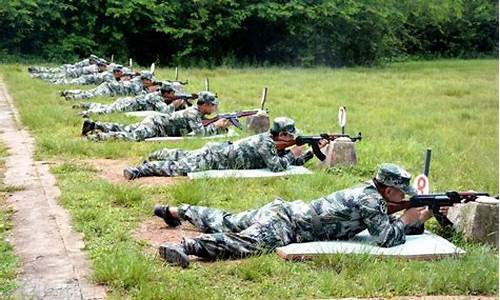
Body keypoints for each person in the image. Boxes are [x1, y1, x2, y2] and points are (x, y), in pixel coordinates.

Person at [153, 163, 448, 268]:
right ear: (387, 190)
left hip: (285, 210)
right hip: (288, 224)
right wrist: (409, 219)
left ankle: (177, 210)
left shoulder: (371, 195)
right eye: (401, 191)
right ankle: (185, 247)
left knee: (228, 218)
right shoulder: (370, 200)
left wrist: (421, 218)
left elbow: (385, 226)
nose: (404, 195)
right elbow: (385, 238)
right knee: (243, 243)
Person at [122, 117, 319, 179]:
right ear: (282, 135)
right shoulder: (265, 143)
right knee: (179, 168)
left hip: (218, 151)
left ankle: (158, 155)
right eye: (291, 135)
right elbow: (278, 166)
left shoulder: (274, 143)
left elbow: (289, 162)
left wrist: (311, 153)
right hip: (215, 158)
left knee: (184, 156)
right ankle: (140, 170)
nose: (294, 138)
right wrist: (293, 152)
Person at [81, 91, 230, 141]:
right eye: (212, 105)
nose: (214, 108)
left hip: (156, 122)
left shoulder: (195, 112)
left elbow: (201, 124)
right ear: (204, 105)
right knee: (133, 136)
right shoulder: (193, 113)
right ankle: (98, 137)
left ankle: (95, 125)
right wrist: (217, 127)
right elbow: (200, 134)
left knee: (127, 128)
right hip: (157, 126)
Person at [75, 84, 188, 116]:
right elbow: (165, 112)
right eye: (173, 93)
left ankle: (86, 105)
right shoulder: (156, 97)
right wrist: (175, 104)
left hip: (129, 102)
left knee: (106, 107)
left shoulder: (158, 95)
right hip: (130, 104)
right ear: (167, 93)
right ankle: (85, 113)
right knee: (107, 111)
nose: (175, 95)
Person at [62, 70, 156, 100]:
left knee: (90, 92)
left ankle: (69, 92)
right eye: (150, 80)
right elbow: (141, 96)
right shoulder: (137, 85)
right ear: (145, 80)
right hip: (110, 89)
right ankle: (72, 98)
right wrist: (153, 91)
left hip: (109, 86)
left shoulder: (136, 80)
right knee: (91, 95)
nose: (151, 82)